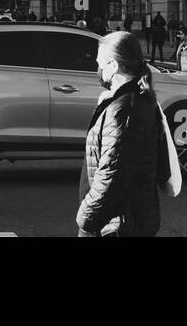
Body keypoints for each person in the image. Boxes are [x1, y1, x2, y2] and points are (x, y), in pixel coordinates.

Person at [76, 31, 165, 238]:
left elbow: (112, 174)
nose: (97, 69)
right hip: (125, 219)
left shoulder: (125, 110)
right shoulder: (131, 100)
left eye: (100, 63)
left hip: (118, 224)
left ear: (113, 66)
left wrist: (86, 220)